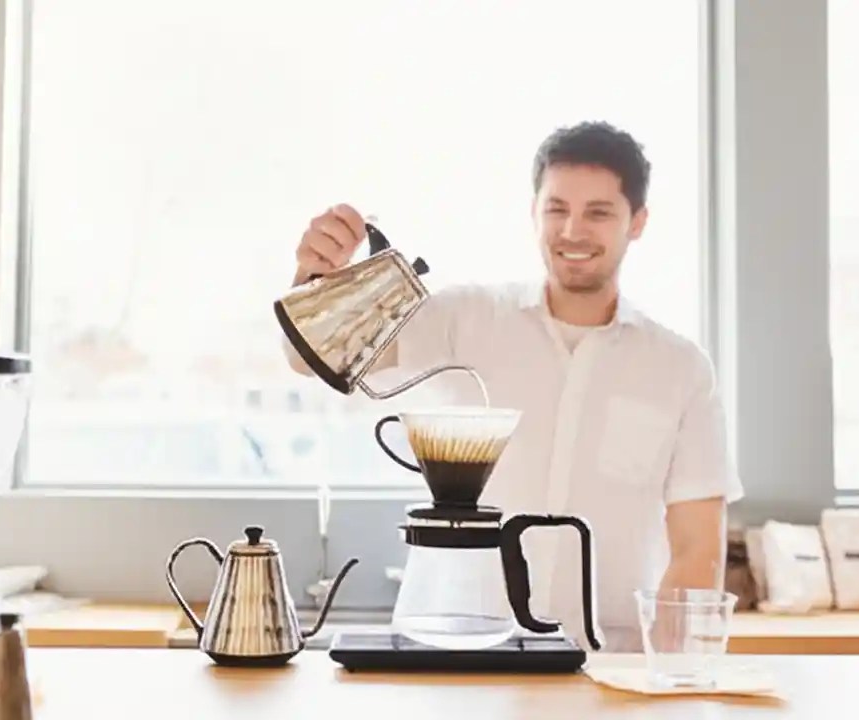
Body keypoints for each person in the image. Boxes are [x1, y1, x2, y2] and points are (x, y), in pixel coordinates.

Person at [284, 121, 744, 652]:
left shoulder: (680, 368)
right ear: (533, 213)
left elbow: (696, 548)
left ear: (636, 222)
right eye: (557, 209)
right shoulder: (465, 319)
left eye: (598, 212)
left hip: (609, 668)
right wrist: (312, 280)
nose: (573, 230)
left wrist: (669, 680)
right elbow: (310, 356)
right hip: (462, 654)